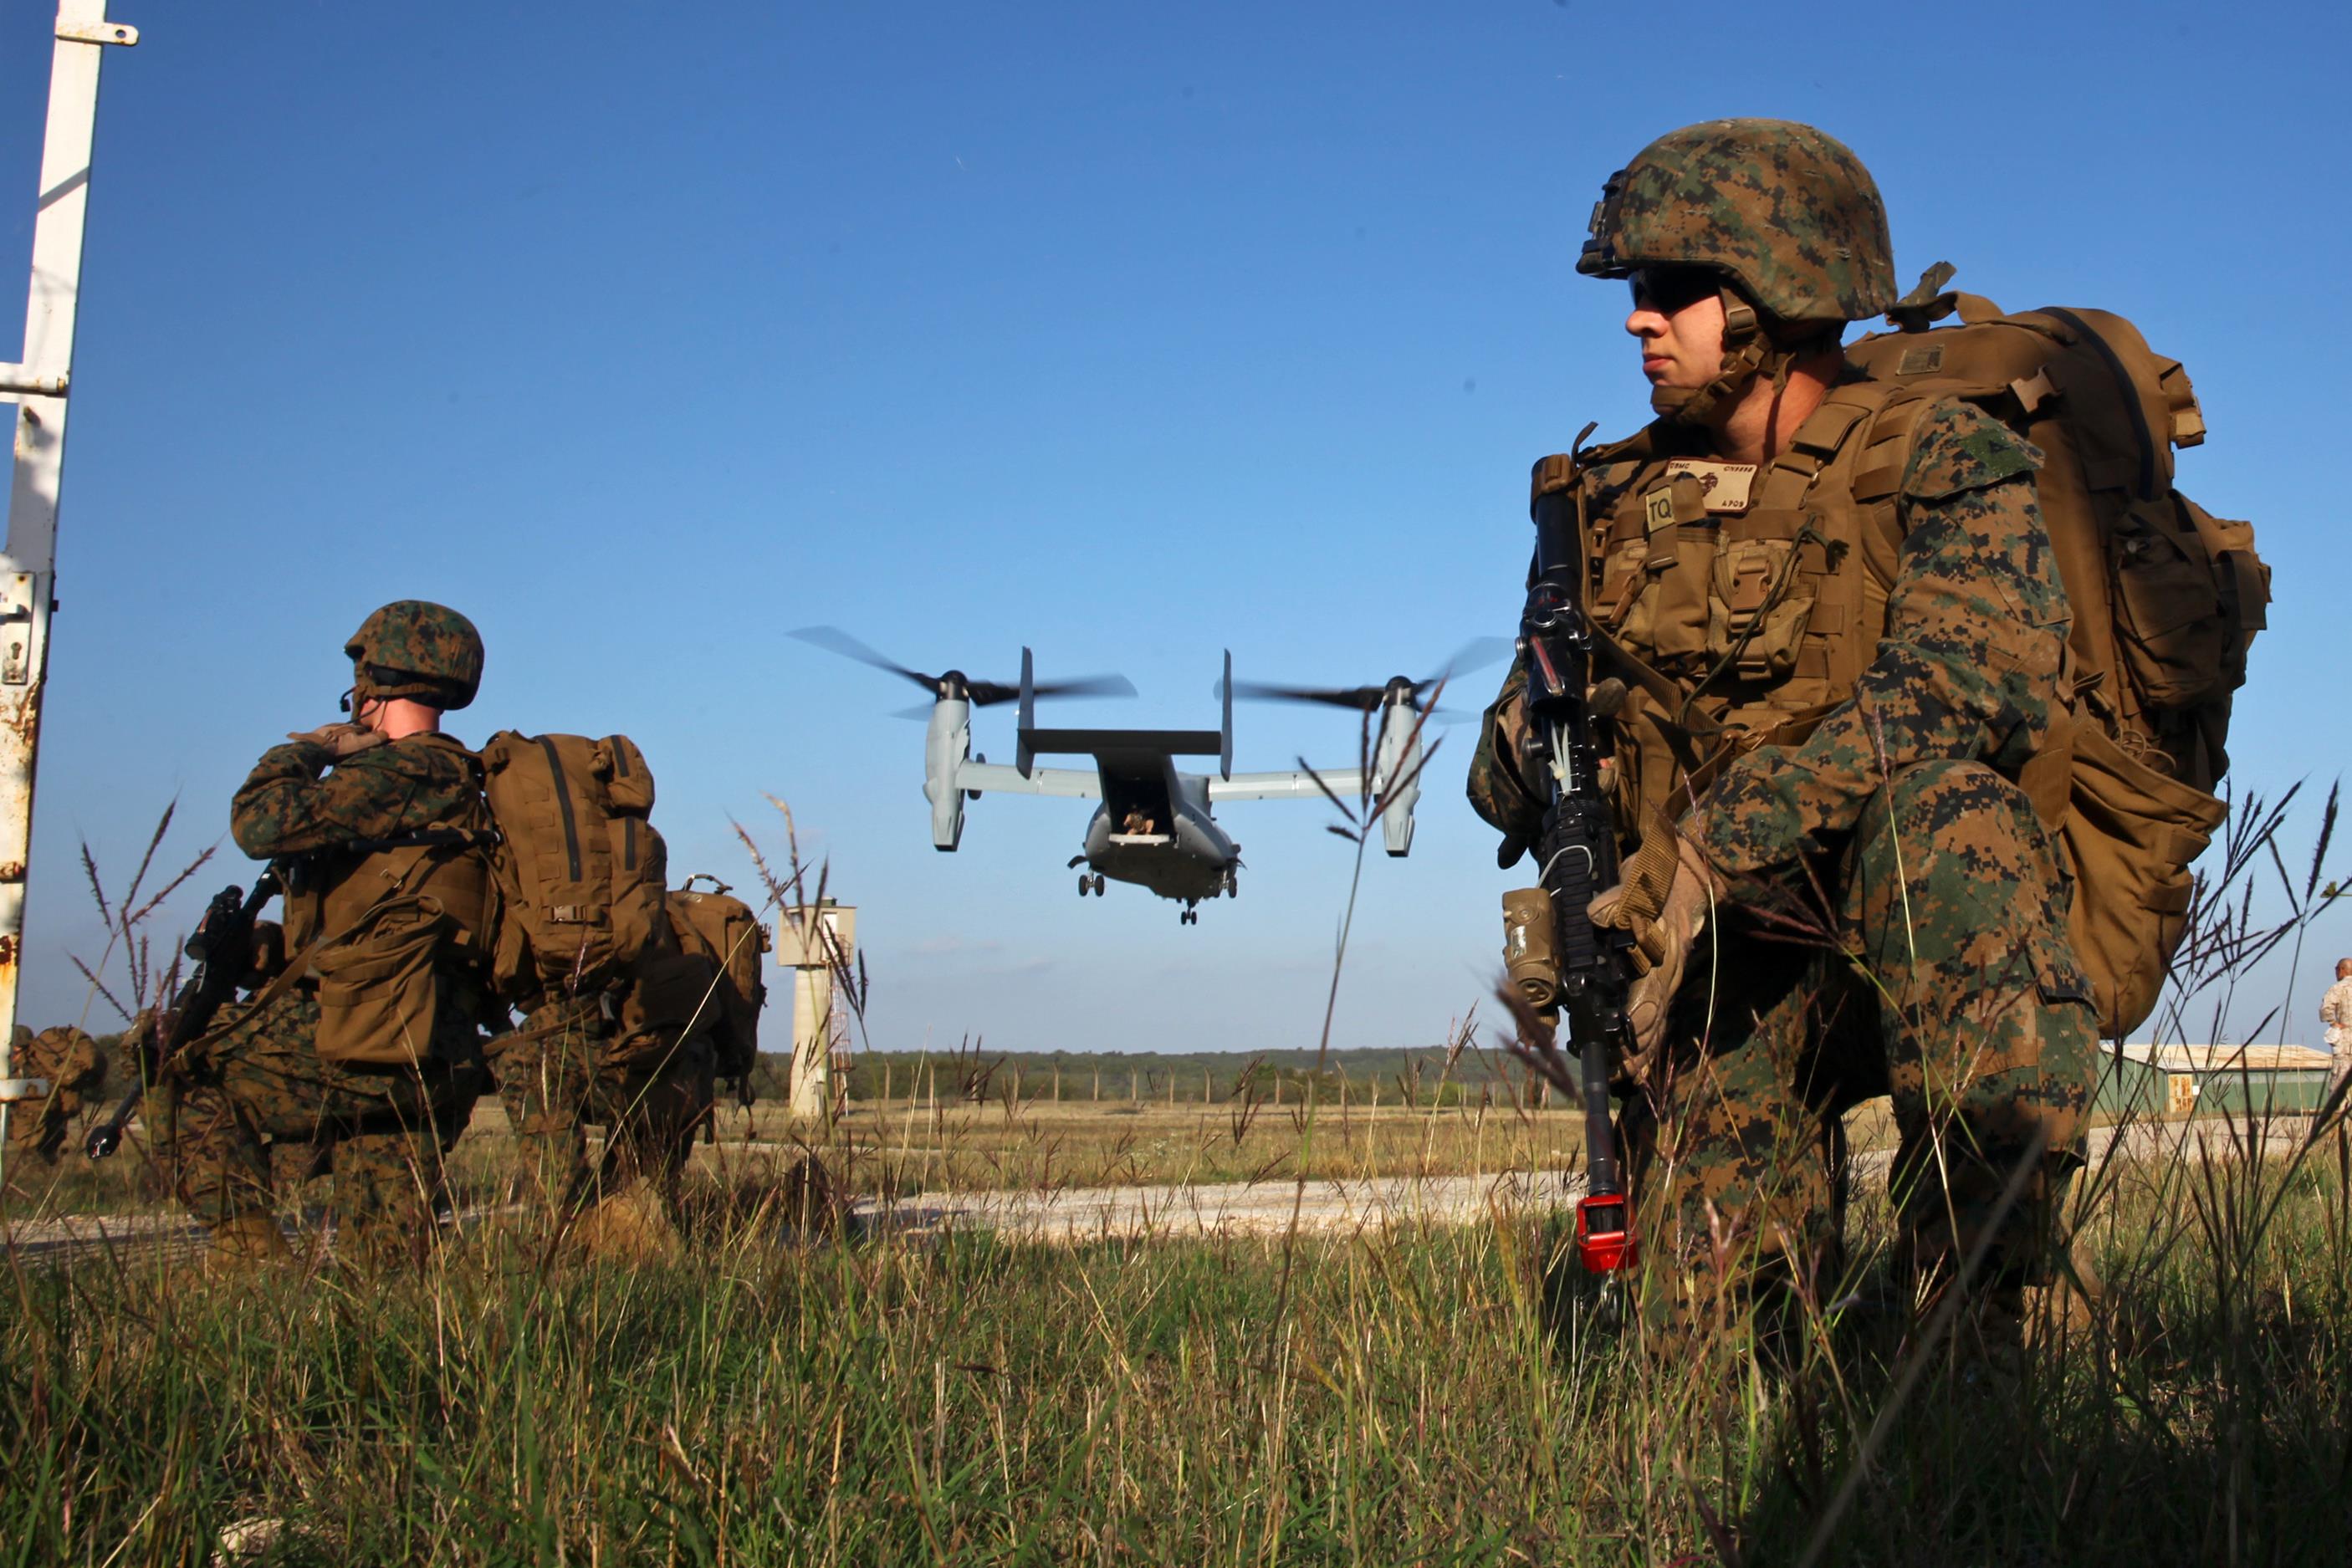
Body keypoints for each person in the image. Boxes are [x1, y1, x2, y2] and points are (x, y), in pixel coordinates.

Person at [1467, 120, 2097, 1346]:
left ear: (1775, 297)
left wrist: (1710, 849)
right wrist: (1540, 741)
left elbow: (1970, 682)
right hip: (1720, 979)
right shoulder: (1611, 502)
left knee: (1950, 817)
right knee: (1705, 1353)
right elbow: (1500, 789)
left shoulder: (1943, 456)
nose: (1639, 319)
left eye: (1671, 289)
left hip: (1903, 940)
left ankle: (1976, 1314)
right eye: (1638, 291)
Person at [154, 601, 502, 1264]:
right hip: (437, 1045)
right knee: (386, 1268)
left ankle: (253, 1258)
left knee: (175, 1053)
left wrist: (310, 748)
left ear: (374, 678)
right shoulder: (469, 779)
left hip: (370, 1039)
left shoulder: (398, 773)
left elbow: (260, 822)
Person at [3, 1024, 105, 1167]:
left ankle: (45, 1174)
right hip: (59, 1112)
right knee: (50, 1153)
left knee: (37, 1157)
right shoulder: (44, 1058)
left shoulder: (30, 1063)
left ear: (16, 1047)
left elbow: (39, 1096)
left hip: (39, 1116)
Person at [2321, 959, 2352, 1110]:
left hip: (2345, 1042)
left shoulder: (2338, 988)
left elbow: (2325, 1009)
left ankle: (2336, 1115)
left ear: (2341, 970)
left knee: (2339, 1081)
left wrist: (2334, 1023)